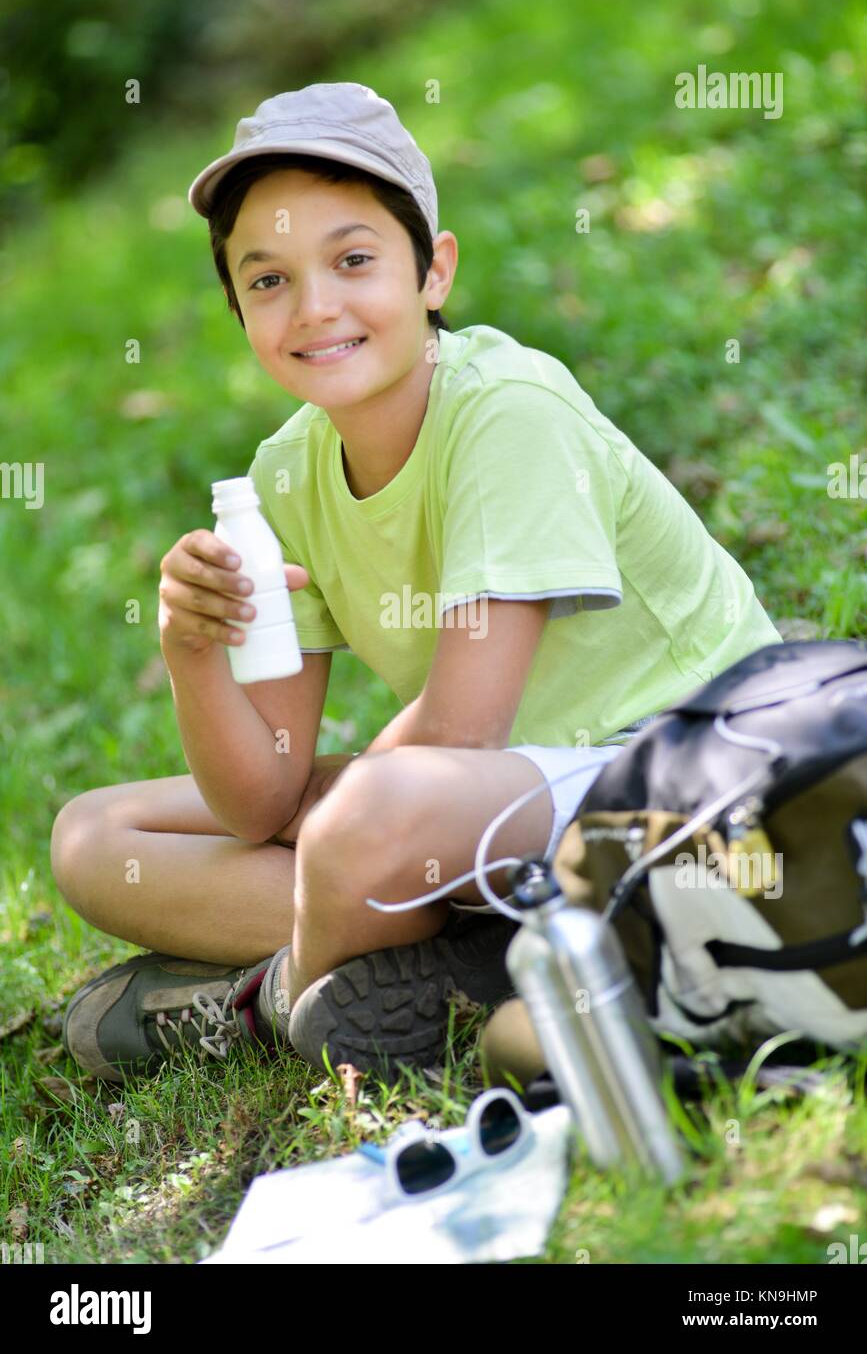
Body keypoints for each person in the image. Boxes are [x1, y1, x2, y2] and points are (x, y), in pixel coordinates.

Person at [52, 83, 783, 1084]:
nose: (315, 307)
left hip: (675, 780)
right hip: (485, 816)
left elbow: (460, 731)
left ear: (433, 269)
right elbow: (259, 796)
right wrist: (191, 654)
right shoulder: (285, 474)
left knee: (361, 821)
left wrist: (338, 802)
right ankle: (464, 957)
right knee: (95, 834)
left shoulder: (505, 414)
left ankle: (265, 1003)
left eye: (354, 261)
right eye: (267, 281)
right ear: (238, 307)